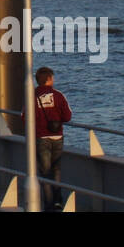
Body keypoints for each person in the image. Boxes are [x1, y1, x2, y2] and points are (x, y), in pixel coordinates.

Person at [29, 67, 72, 209]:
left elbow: (24, 117)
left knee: (45, 172)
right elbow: (67, 116)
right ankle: (58, 200)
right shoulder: (58, 95)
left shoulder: (31, 96)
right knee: (56, 169)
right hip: (57, 136)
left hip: (41, 137)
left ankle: (48, 204)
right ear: (49, 79)